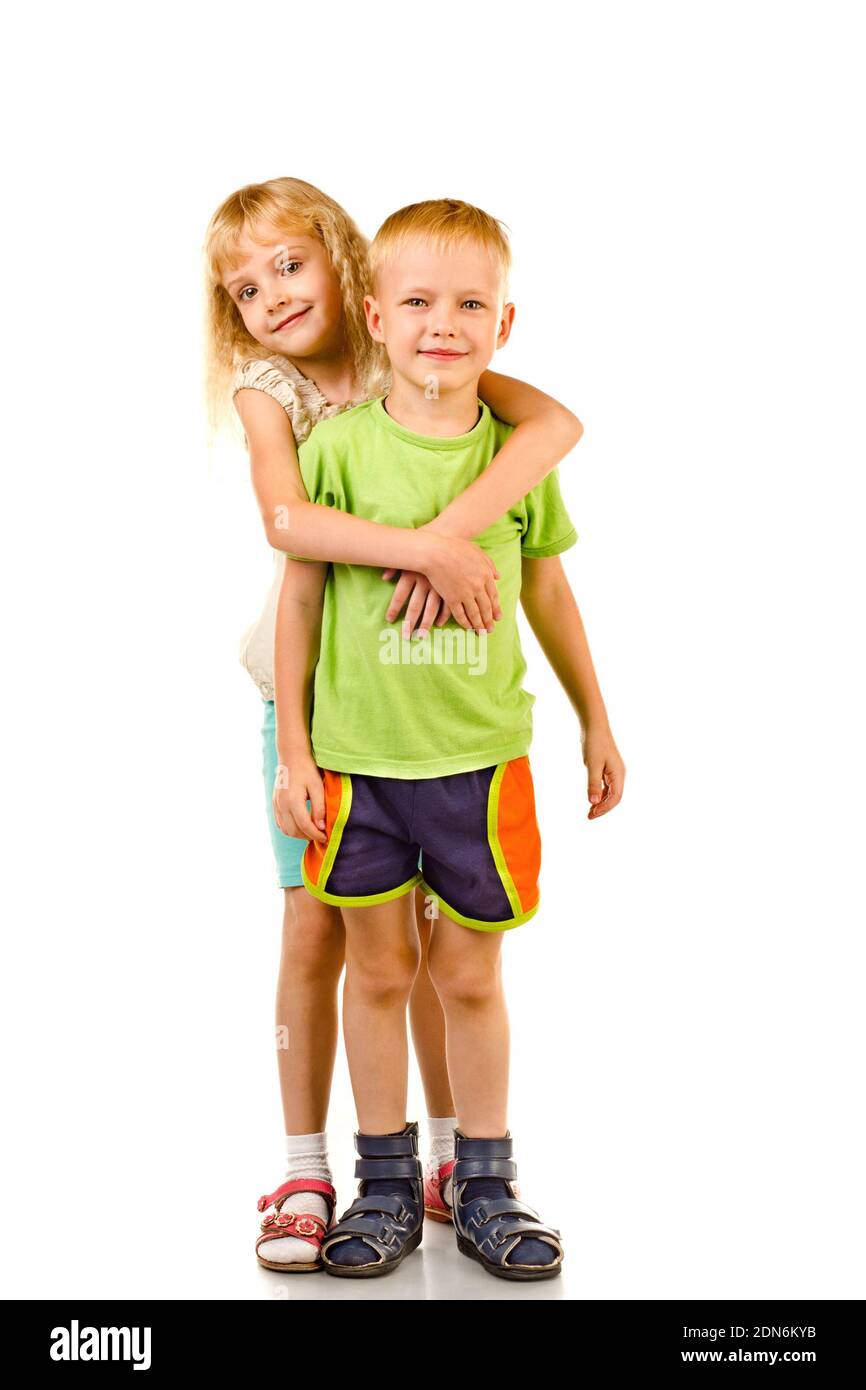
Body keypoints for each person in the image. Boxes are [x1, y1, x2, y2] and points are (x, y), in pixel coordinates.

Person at [202, 178, 584, 1271]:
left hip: (439, 720)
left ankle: (456, 1159)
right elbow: (287, 525)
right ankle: (309, 1166)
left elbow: (553, 425)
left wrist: (459, 530)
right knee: (318, 929)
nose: (273, 295)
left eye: (290, 265)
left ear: (345, 268)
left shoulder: (421, 341)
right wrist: (429, 552)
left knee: (440, 949)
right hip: (312, 703)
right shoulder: (272, 391)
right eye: (246, 285)